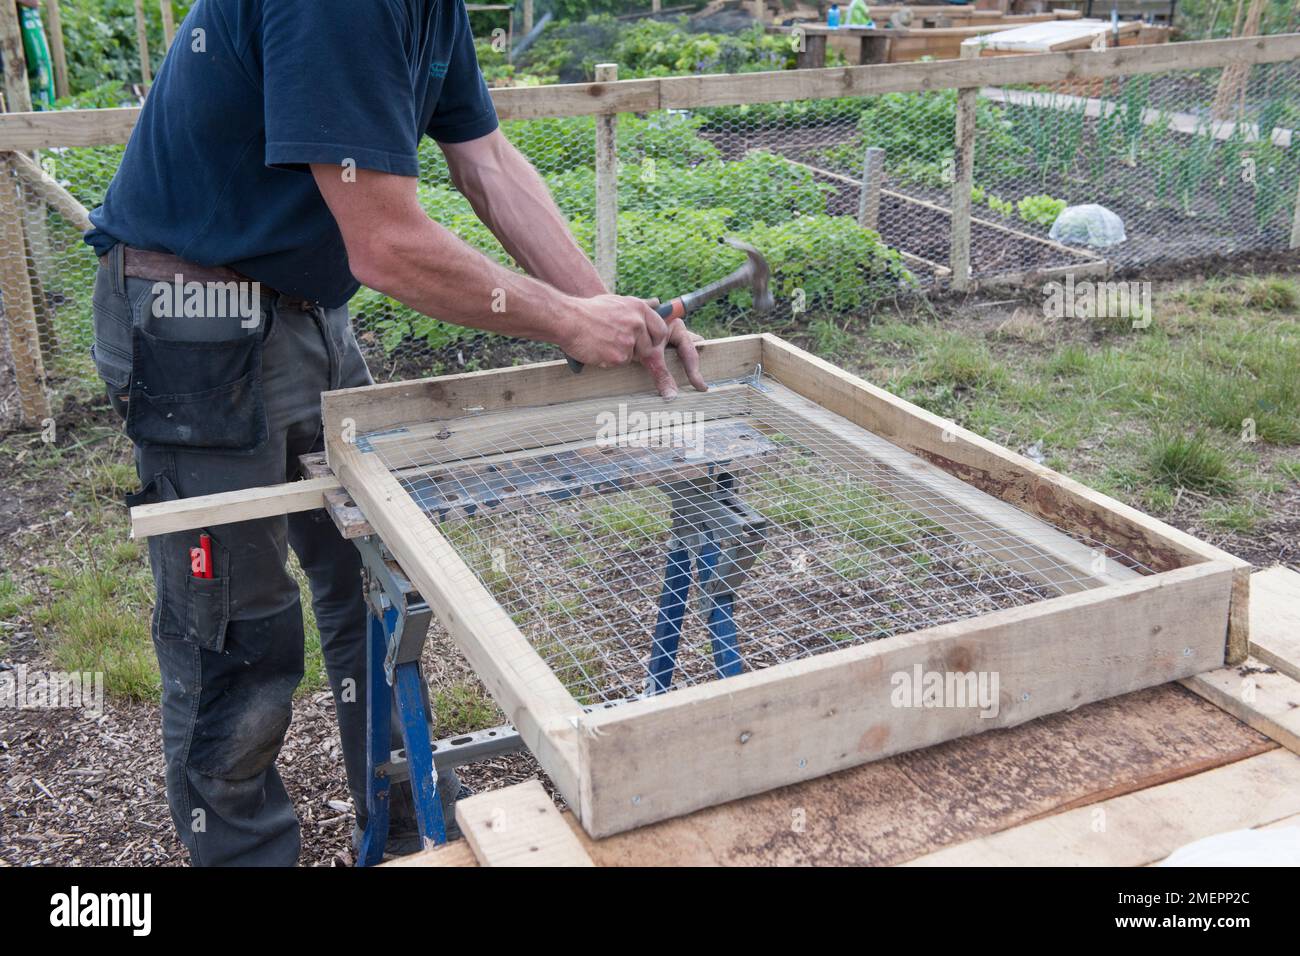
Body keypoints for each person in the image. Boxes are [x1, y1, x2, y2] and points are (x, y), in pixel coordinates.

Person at [84, 0, 705, 866]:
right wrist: (563, 320)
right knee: (237, 627)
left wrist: (609, 313)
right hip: (193, 313)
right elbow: (384, 244)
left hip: (307, 306)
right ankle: (242, 856)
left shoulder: (429, 8)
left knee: (379, 575)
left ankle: (404, 825)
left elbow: (486, 161)